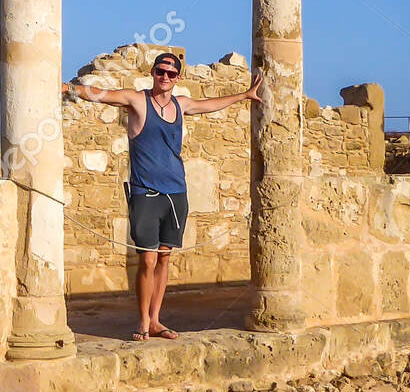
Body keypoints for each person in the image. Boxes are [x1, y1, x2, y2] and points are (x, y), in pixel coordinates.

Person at [64, 51, 263, 341]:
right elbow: (103, 94)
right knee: (146, 260)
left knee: (164, 259)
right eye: (161, 71)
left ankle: (156, 320)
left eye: (171, 73)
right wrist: (70, 88)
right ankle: (143, 320)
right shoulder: (137, 100)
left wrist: (244, 95)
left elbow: (209, 105)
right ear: (153, 72)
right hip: (146, 193)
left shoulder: (181, 105)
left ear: (178, 78)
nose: (165, 77)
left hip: (176, 193)